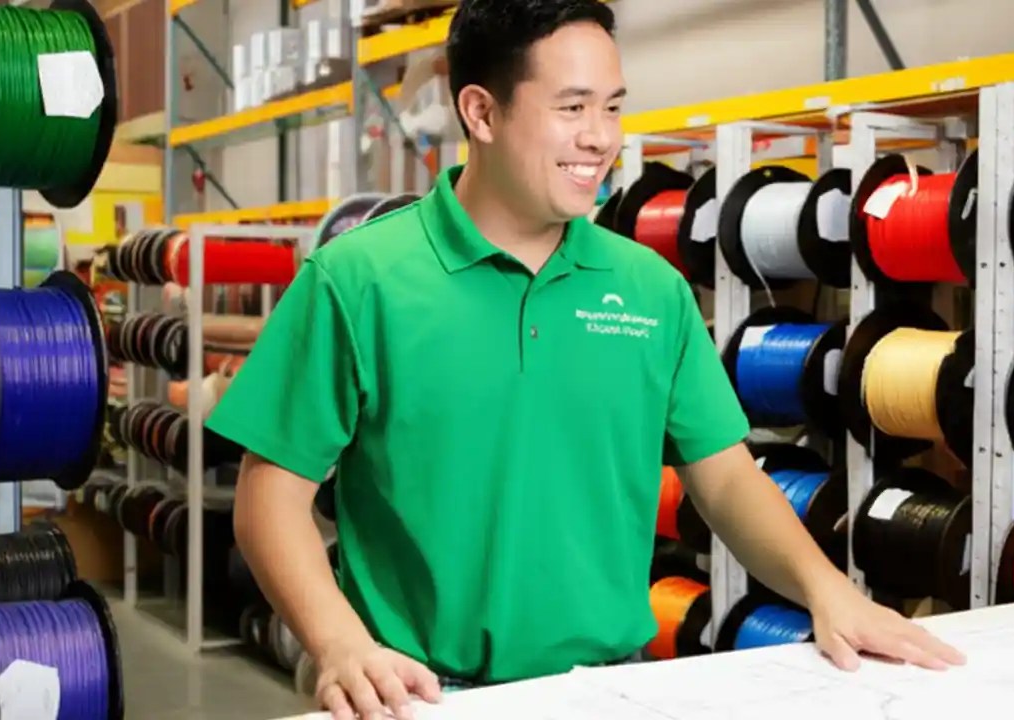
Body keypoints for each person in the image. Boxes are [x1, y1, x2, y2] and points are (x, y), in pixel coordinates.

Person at [209, 1, 965, 719]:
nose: (601, 138)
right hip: (420, 695)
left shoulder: (650, 289)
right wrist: (339, 644)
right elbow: (269, 498)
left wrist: (829, 591)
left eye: (612, 106)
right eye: (572, 108)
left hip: (609, 687)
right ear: (481, 112)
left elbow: (728, 478)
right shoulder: (357, 280)